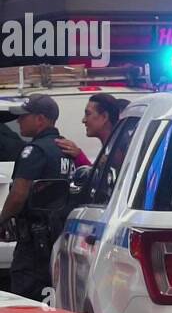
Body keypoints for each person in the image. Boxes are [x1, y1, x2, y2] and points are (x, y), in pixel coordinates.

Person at [0, 94, 76, 301]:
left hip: (34, 242)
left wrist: (2, 219)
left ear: (40, 119)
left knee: (25, 297)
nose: (18, 121)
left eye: (24, 117)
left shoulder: (34, 151)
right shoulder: (66, 149)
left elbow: (18, 194)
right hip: (57, 236)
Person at [55, 93, 122, 166]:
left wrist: (79, 156)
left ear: (104, 117)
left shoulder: (116, 153)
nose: (83, 120)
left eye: (88, 114)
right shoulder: (110, 148)